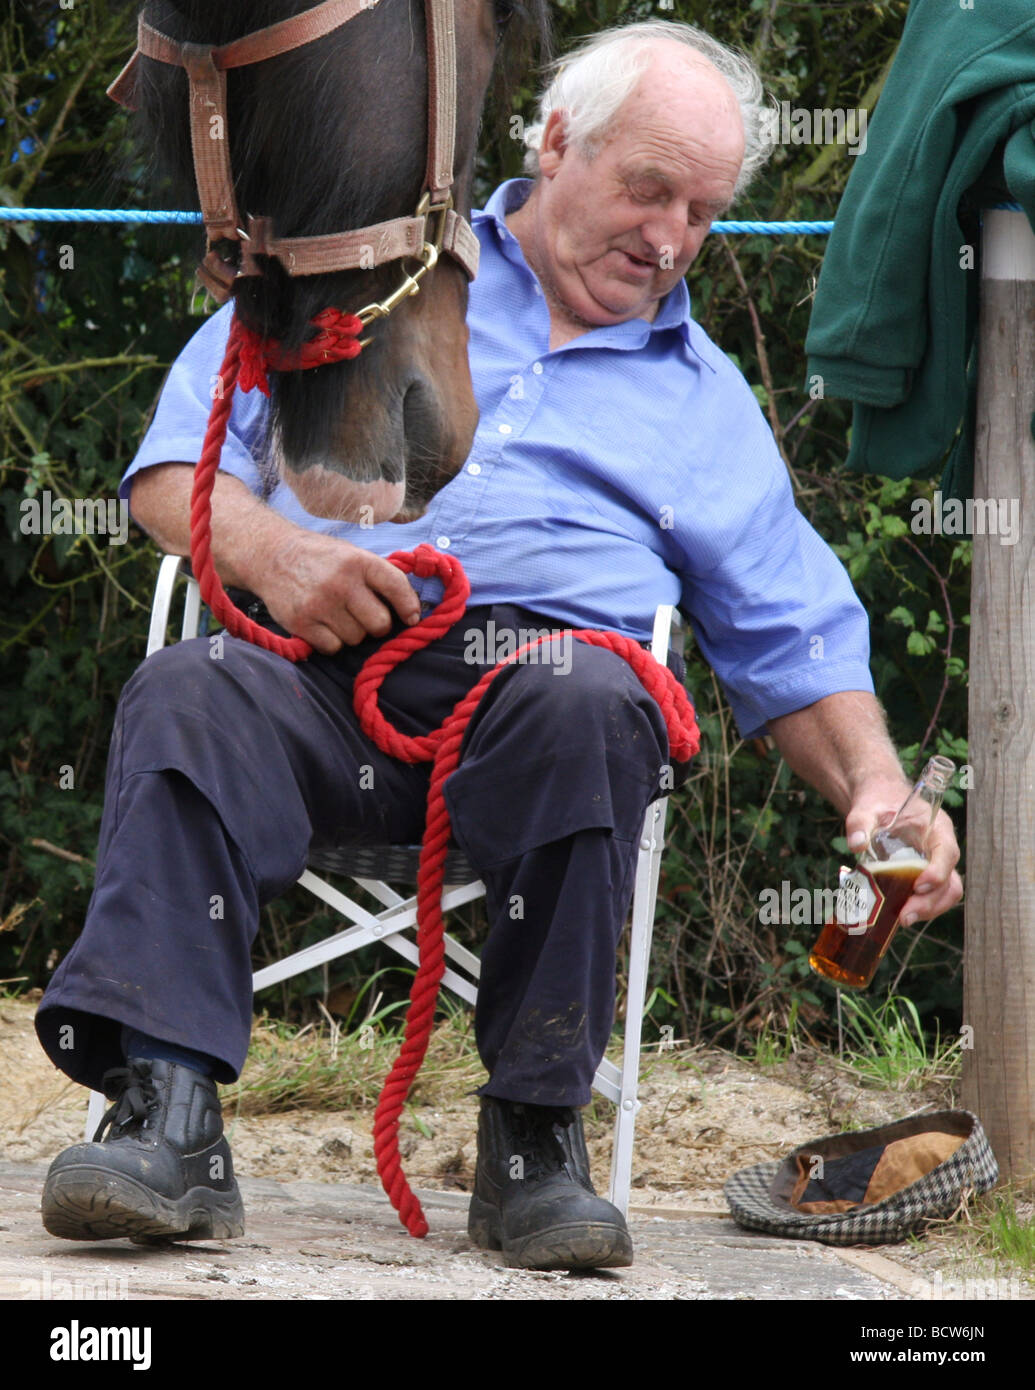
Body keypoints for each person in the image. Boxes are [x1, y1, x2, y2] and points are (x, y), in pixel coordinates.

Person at [35, 20, 963, 1271]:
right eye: (649, 189)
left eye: (703, 209)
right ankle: (165, 1115)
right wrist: (279, 555)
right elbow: (165, 474)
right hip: (314, 684)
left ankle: (533, 1141)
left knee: (585, 692)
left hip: (540, 727)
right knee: (186, 686)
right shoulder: (366, 269)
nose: (672, 237)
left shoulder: (703, 401)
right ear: (556, 140)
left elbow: (795, 636)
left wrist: (878, 793)